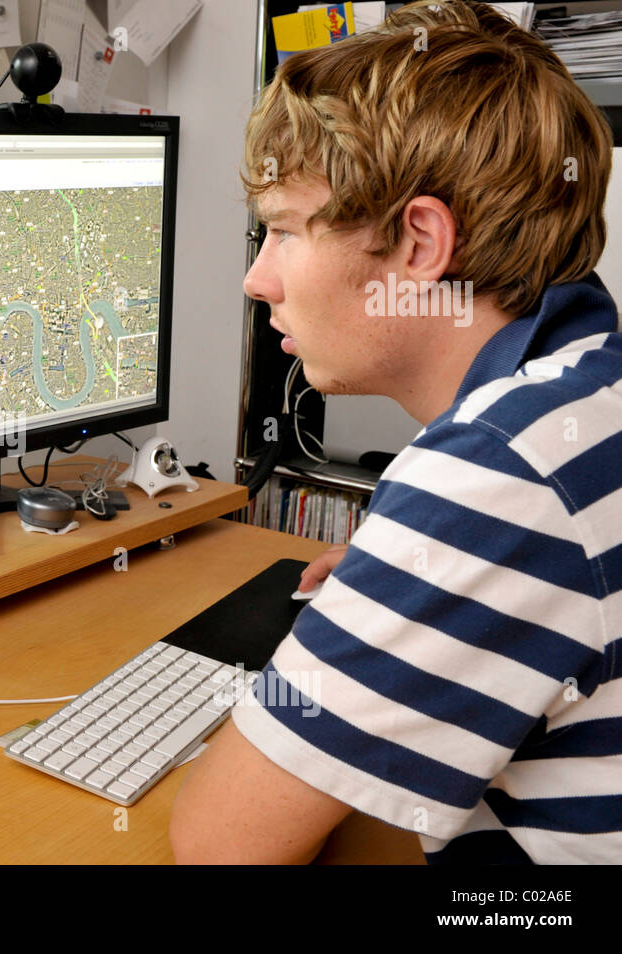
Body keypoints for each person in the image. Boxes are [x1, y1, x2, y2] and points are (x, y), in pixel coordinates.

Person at [170, 0, 622, 864]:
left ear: (419, 244)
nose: (256, 279)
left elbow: (220, 847)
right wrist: (416, 586)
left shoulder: (500, 477)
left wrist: (416, 575)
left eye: (285, 230)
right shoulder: (586, 377)